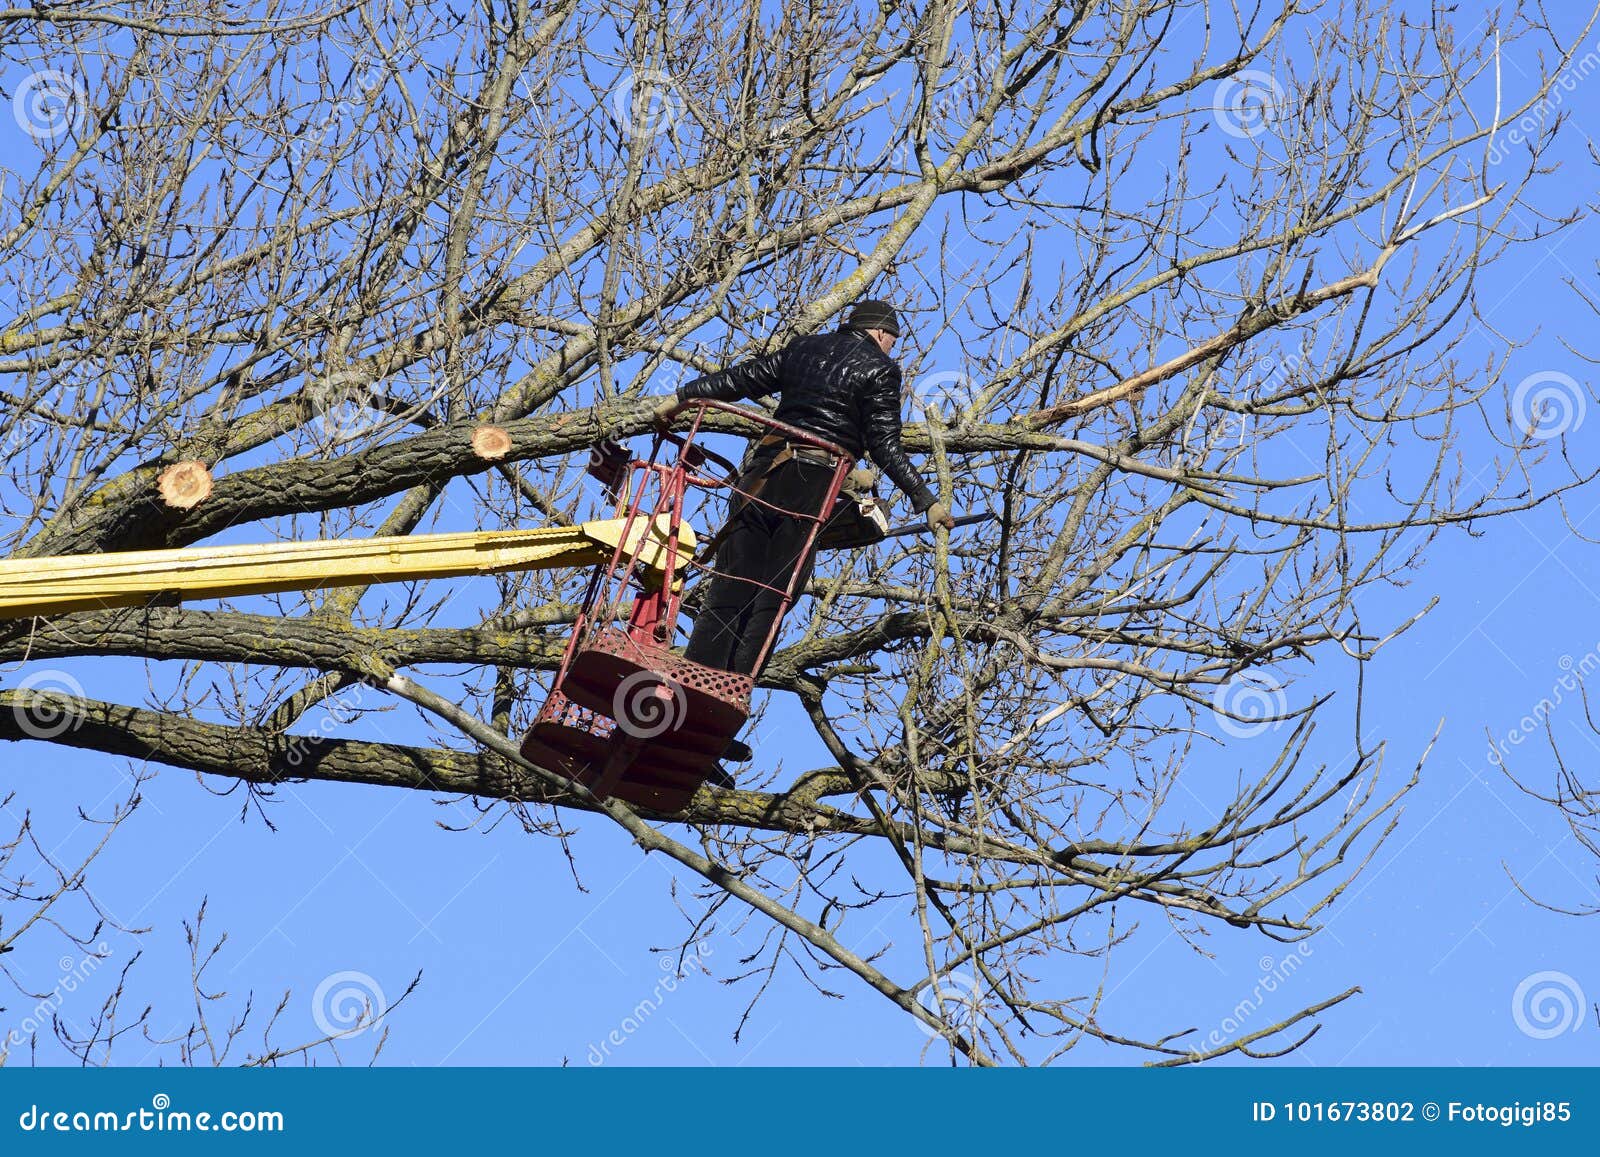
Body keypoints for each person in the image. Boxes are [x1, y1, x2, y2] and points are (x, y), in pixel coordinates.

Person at [652, 299, 956, 680]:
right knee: (777, 590)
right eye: (892, 341)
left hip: (762, 475)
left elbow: (743, 378)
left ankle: (693, 677)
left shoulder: (804, 347)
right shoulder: (880, 370)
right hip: (812, 486)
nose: (892, 349)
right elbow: (884, 444)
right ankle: (734, 684)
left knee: (732, 580)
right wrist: (925, 500)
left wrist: (682, 396)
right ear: (881, 332)